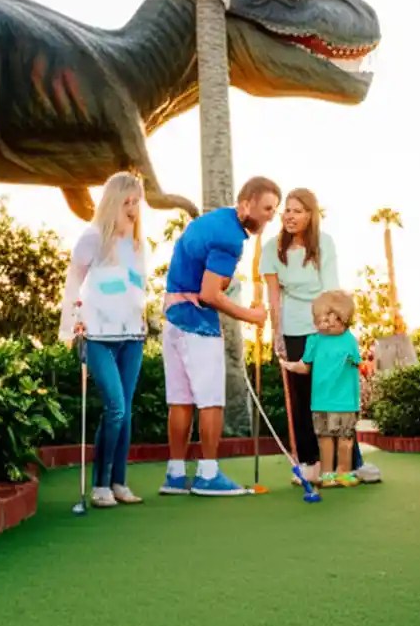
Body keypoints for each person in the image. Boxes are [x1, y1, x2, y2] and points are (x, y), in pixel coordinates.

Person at [159, 176, 279, 496]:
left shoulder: (208, 223)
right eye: (267, 208)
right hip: (198, 326)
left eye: (274, 210)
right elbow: (210, 294)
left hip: (172, 321)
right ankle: (208, 475)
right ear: (245, 204)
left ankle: (175, 475)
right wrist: (251, 315)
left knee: (181, 399)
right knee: (211, 400)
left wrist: (227, 285)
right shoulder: (230, 237)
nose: (270, 215)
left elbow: (203, 279)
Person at [259, 188, 380, 485]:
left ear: (311, 215)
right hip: (293, 329)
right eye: (287, 210)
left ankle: (351, 463)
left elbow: (330, 289)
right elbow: (274, 296)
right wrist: (276, 333)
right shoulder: (272, 248)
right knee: (301, 401)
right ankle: (309, 463)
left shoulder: (324, 243)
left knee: (333, 396)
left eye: (297, 210)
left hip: (325, 329)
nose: (289, 215)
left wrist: (331, 326)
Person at [58, 172, 148, 508]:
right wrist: (70, 327)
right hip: (97, 335)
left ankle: (119, 482)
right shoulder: (92, 238)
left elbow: (137, 288)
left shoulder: (139, 245)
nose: (133, 208)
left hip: (132, 335)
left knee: (125, 413)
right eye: (127, 201)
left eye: (137, 201)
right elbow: (73, 283)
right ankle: (99, 486)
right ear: (112, 201)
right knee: (115, 408)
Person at [279, 290, 362, 488]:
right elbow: (305, 365)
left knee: (345, 439)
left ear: (345, 320)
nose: (329, 323)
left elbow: (356, 364)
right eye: (324, 319)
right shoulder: (314, 341)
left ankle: (343, 472)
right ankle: (326, 474)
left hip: (345, 402)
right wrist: (290, 365)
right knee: (325, 439)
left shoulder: (350, 340)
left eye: (335, 319)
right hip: (322, 401)